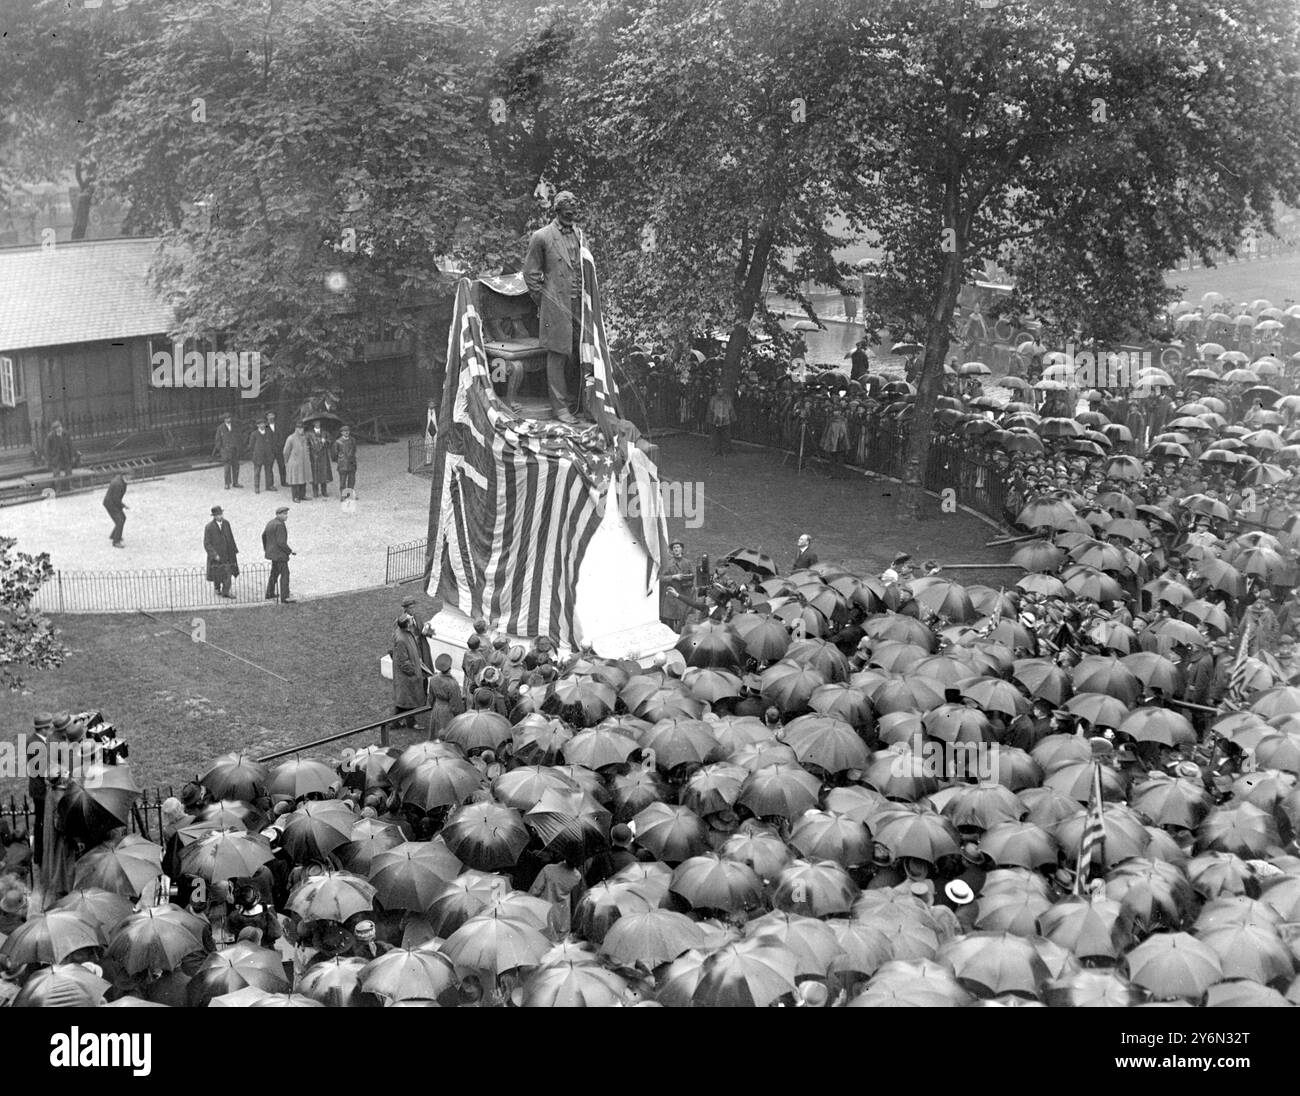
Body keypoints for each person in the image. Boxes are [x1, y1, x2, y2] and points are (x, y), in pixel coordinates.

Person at [522, 190, 584, 423]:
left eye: (574, 209)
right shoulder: (542, 236)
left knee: (581, 353)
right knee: (557, 354)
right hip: (557, 305)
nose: (572, 213)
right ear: (557, 210)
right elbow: (530, 275)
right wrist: (547, 302)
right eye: (567, 210)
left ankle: (580, 404)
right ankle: (560, 409)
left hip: (579, 304)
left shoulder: (579, 234)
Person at [390, 612, 429, 731]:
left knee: (405, 700)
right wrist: (413, 671)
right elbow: (403, 660)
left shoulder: (404, 633)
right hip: (407, 675)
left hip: (408, 672)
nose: (412, 621)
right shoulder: (402, 638)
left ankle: (395, 723)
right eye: (410, 620)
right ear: (406, 625)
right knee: (409, 699)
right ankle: (410, 723)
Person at [204, 505, 240, 599]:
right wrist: (214, 554)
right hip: (217, 555)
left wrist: (234, 550)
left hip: (227, 554)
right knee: (217, 572)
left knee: (228, 572)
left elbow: (230, 537)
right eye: (218, 515)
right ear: (214, 516)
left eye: (221, 514)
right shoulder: (209, 527)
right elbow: (207, 543)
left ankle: (226, 592)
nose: (220, 516)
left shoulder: (226, 523)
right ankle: (217, 588)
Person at [261, 506, 296, 603]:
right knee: (285, 574)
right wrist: (290, 551)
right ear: (278, 515)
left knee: (274, 573)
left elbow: (263, 536)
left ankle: (269, 593)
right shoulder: (280, 525)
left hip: (273, 554)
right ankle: (285, 597)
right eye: (284, 514)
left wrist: (267, 548)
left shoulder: (271, 523)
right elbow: (281, 542)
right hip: (280, 555)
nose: (286, 516)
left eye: (286, 514)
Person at [427, 653, 465, 738]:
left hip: (436, 707)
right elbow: (456, 705)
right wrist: (459, 715)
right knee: (447, 733)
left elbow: (431, 697)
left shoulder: (433, 679)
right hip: (447, 711)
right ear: (450, 668)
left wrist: (433, 706)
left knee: (436, 732)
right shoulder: (452, 684)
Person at [659, 540, 694, 631]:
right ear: (672, 550)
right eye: (674, 548)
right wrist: (674, 577)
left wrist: (685, 579)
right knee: (670, 622)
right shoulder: (668, 563)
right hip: (671, 597)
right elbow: (661, 577)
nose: (676, 549)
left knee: (683, 620)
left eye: (678, 547)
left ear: (682, 549)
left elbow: (692, 576)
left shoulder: (687, 562)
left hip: (684, 594)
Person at [282, 422, 312, 502]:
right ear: (296, 429)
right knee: (295, 479)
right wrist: (286, 461)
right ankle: (295, 497)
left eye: (303, 428)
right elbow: (285, 451)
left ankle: (302, 495)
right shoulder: (291, 438)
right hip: (294, 462)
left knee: (303, 478)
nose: (302, 430)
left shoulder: (304, 438)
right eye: (300, 428)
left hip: (303, 462)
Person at [213, 412, 242, 489]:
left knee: (236, 466)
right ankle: (227, 483)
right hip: (226, 450)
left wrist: (238, 446)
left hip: (235, 449)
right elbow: (217, 440)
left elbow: (239, 437)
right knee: (227, 468)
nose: (228, 420)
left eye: (229, 418)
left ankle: (235, 482)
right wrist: (221, 449)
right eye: (226, 418)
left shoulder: (235, 426)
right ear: (224, 420)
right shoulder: (220, 428)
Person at [307, 420, 334, 499]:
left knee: (324, 472)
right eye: (315, 423)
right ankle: (315, 491)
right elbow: (307, 444)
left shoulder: (325, 432)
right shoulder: (309, 433)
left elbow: (330, 441)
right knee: (314, 472)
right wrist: (309, 453)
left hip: (323, 455)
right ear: (313, 424)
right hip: (313, 455)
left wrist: (325, 441)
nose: (317, 424)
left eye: (318, 422)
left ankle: (324, 491)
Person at [250, 418, 278, 493]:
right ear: (257, 425)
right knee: (257, 472)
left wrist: (272, 453)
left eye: (263, 424)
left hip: (268, 455)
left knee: (269, 471)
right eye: (260, 424)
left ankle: (269, 486)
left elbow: (273, 442)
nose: (262, 425)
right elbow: (251, 446)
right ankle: (257, 487)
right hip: (258, 456)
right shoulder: (254, 434)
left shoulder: (269, 432)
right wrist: (255, 454)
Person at [102, 472, 128, 548]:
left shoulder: (120, 480)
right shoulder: (118, 484)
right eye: (129, 476)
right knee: (120, 520)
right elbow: (116, 499)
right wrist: (123, 505)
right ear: (125, 475)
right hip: (110, 503)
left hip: (112, 502)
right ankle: (116, 542)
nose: (131, 478)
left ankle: (114, 535)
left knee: (122, 518)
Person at [708, 384, 734, 455]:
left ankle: (724, 451)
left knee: (725, 436)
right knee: (715, 436)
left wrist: (731, 417)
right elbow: (711, 408)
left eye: (721, 388)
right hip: (716, 420)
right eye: (718, 388)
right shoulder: (713, 398)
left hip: (725, 420)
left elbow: (730, 408)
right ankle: (715, 450)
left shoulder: (727, 398)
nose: (720, 390)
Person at [264, 410, 287, 487]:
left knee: (282, 465)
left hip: (279, 449)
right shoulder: (264, 426)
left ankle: (283, 482)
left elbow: (282, 436)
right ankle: (270, 484)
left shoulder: (278, 425)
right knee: (269, 467)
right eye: (269, 415)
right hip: (270, 450)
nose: (271, 417)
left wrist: (280, 445)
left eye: (272, 415)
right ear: (267, 417)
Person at [334, 423, 357, 497]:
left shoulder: (353, 440)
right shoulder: (338, 442)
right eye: (344, 431)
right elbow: (334, 453)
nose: (346, 432)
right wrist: (339, 460)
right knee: (343, 481)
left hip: (351, 463)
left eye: (348, 431)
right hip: (342, 464)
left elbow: (354, 450)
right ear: (341, 433)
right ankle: (343, 495)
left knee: (351, 480)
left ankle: (350, 494)